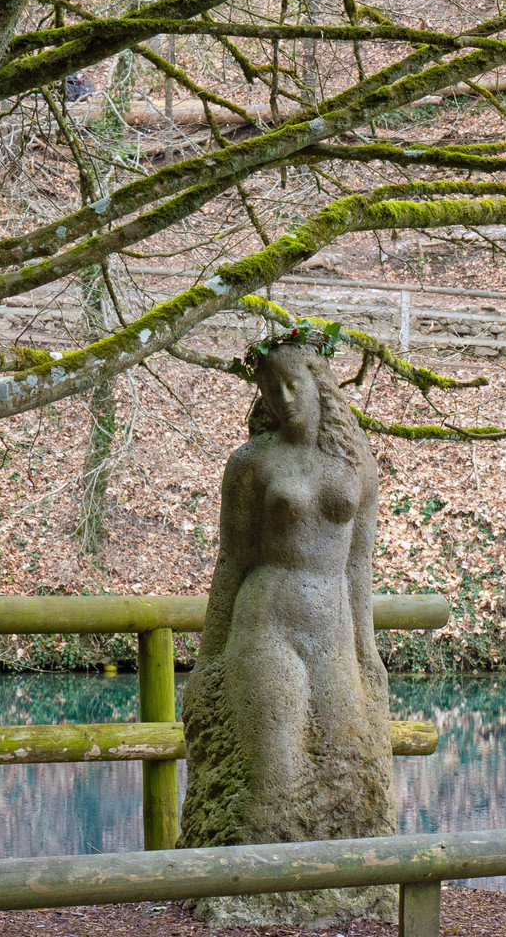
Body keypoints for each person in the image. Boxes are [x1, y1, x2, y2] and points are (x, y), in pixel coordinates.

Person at [179, 337, 395, 925]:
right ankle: (249, 897)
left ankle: (349, 895)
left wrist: (367, 652)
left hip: (332, 623)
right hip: (266, 617)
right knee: (272, 767)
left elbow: (358, 566)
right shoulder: (253, 463)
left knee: (345, 763)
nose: (282, 398)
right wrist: (210, 656)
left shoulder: (356, 464)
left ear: (320, 380)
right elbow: (231, 561)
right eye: (269, 388)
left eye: (292, 383)